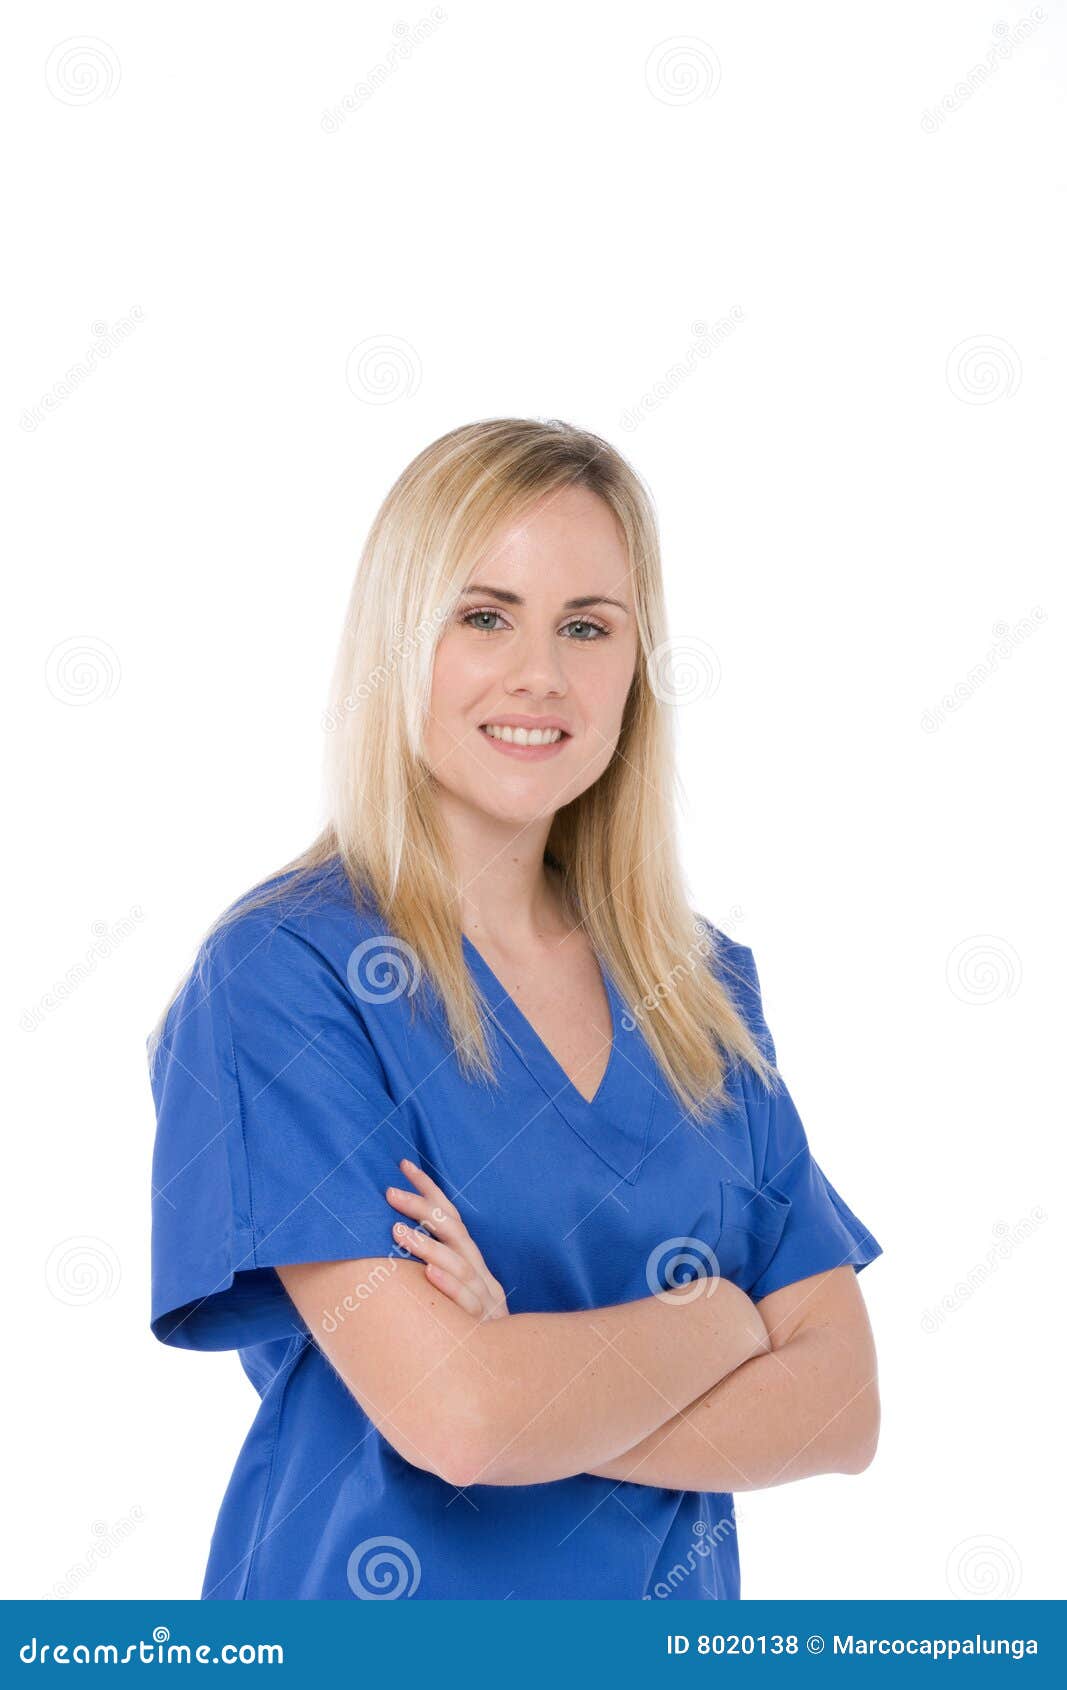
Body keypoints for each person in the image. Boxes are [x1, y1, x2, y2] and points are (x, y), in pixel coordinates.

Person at [147, 417, 883, 1601]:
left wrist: (523, 1375)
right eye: (483, 615)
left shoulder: (696, 991)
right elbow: (459, 1421)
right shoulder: (285, 976)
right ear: (399, 643)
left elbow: (840, 1406)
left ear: (635, 667)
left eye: (587, 626)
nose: (539, 673)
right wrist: (715, 1327)